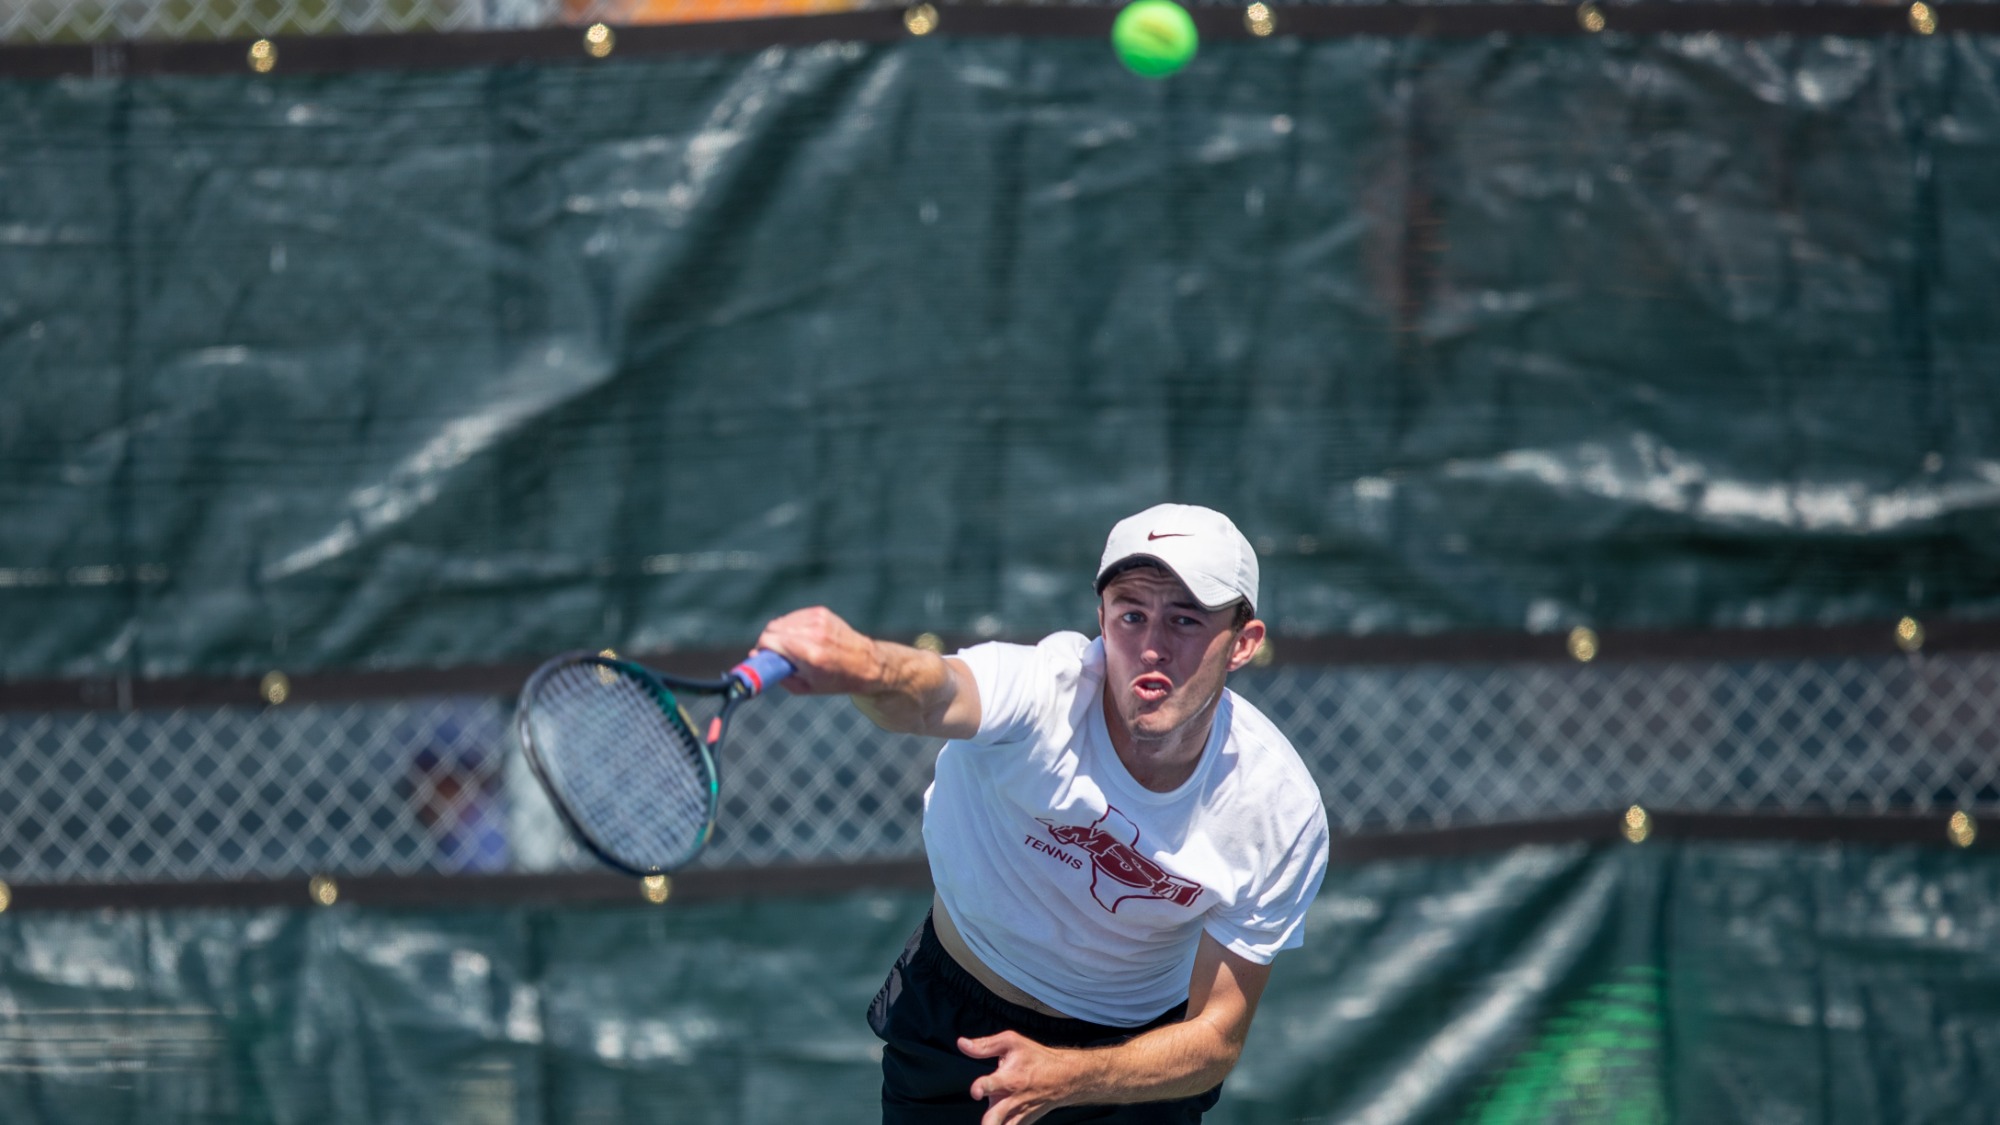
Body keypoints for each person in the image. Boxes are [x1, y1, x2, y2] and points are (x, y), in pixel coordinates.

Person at [756, 503, 1330, 1125]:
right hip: (961, 1033)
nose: (1152, 647)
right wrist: (867, 666)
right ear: (1101, 623)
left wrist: (1071, 1075)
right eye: (1131, 615)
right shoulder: (1040, 690)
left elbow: (1216, 1038)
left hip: (1138, 1064)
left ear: (1243, 644)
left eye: (1185, 620)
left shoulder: (1279, 810)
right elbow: (933, 693)